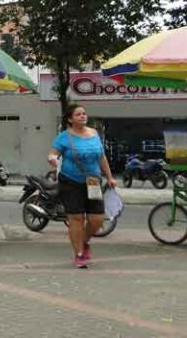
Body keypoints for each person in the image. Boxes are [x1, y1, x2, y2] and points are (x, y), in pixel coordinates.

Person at [48, 103, 117, 268]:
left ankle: (83, 242)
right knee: (76, 218)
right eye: (78, 114)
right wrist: (52, 159)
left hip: (93, 181)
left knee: (97, 219)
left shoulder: (94, 134)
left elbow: (101, 157)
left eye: (84, 114)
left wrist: (110, 177)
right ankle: (78, 254)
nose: (83, 116)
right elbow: (52, 153)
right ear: (70, 119)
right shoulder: (64, 137)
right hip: (71, 181)